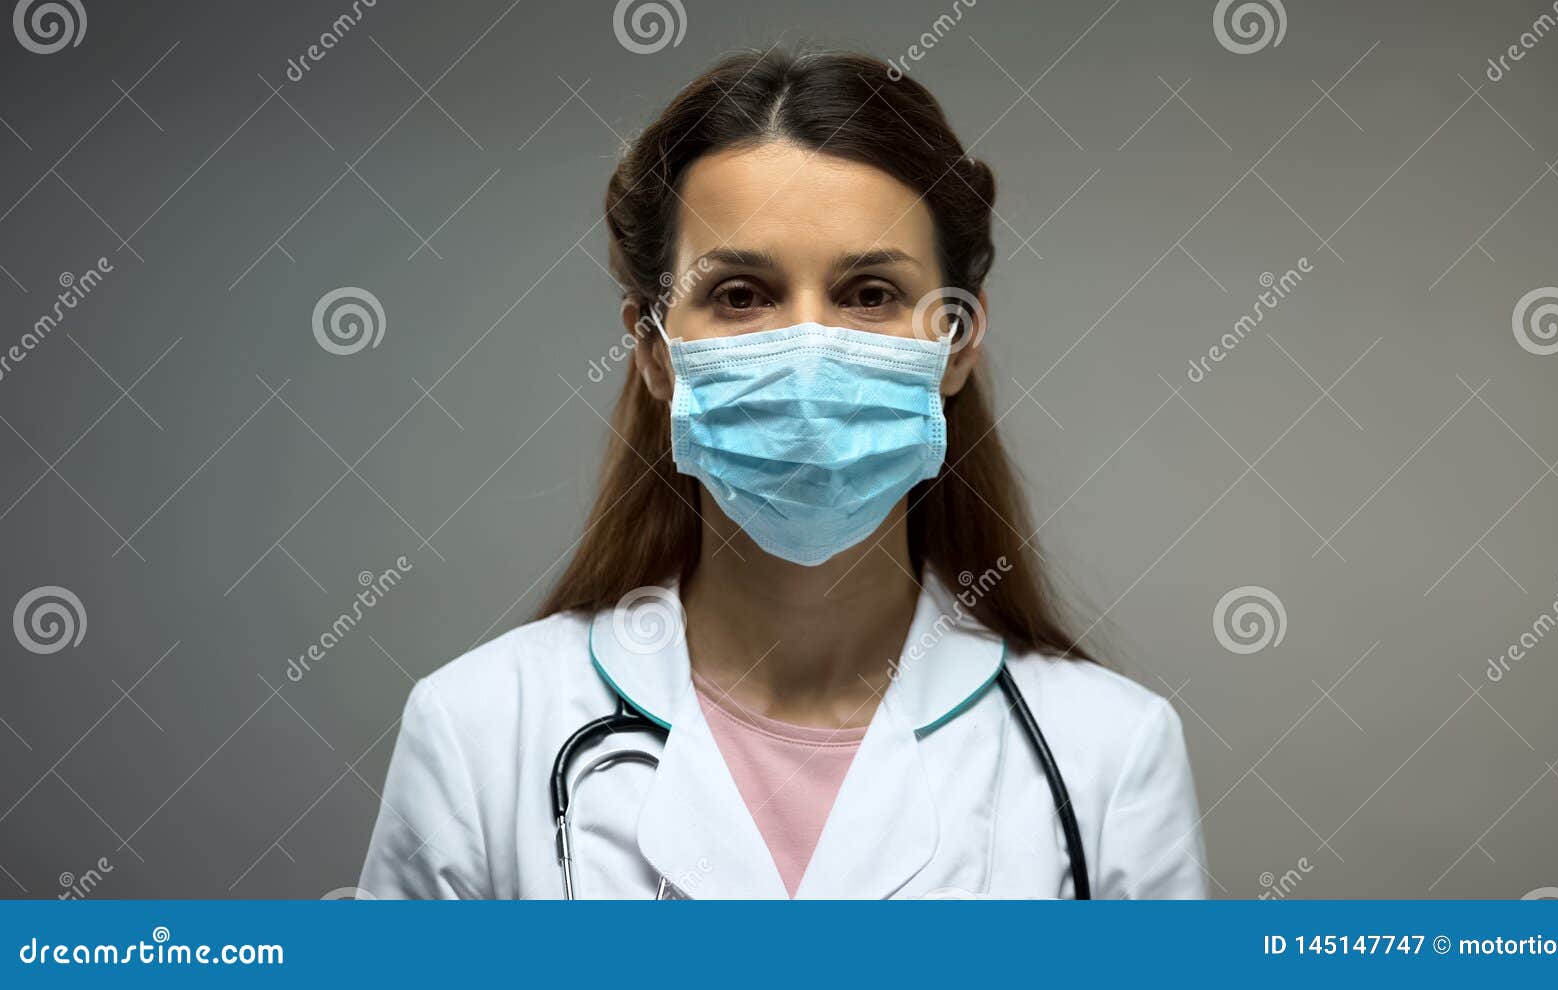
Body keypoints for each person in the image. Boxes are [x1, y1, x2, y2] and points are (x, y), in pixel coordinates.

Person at [359, 48, 1206, 900]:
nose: (809, 353)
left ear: (957, 343)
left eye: (870, 292)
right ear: (655, 350)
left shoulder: (1108, 754)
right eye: (739, 294)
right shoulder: (479, 732)